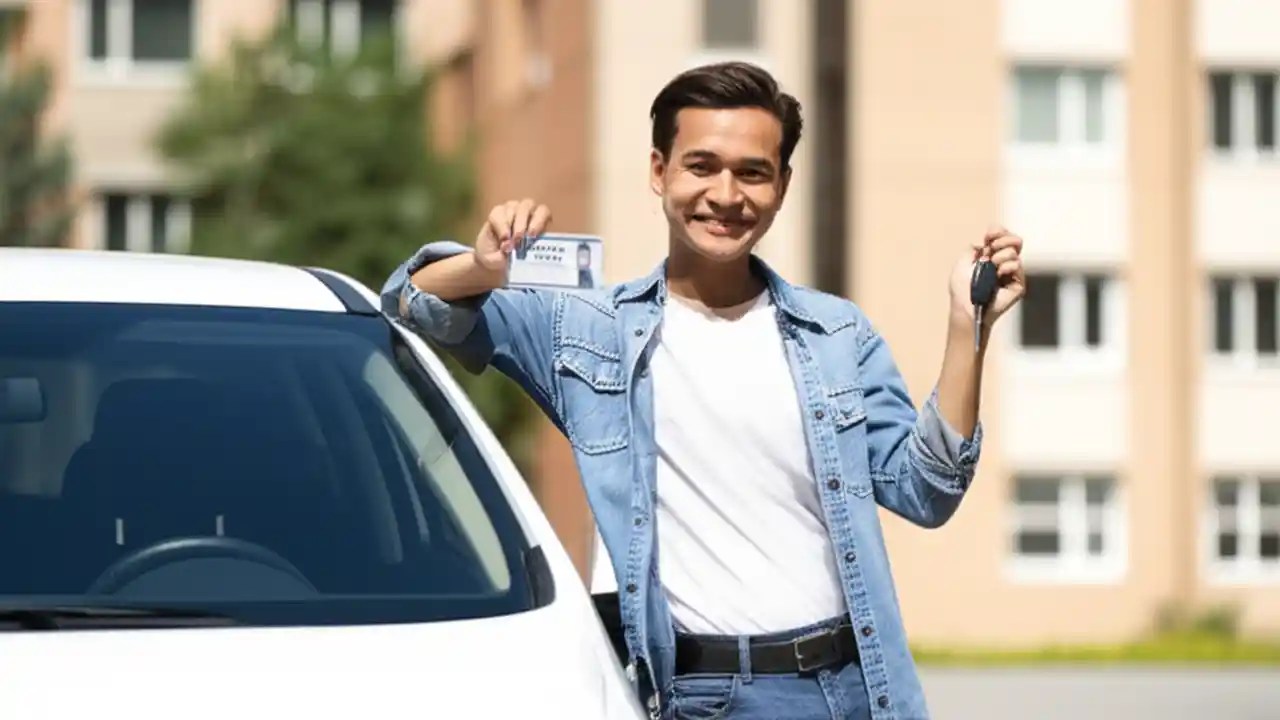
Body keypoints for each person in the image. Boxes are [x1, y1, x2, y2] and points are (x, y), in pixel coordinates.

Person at [381, 61, 1026, 720]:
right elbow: (409, 303)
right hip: (703, 697)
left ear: (782, 186)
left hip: (854, 691)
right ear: (658, 171)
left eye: (752, 172)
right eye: (701, 166)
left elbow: (926, 491)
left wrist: (964, 326)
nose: (726, 194)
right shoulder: (584, 331)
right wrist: (484, 267)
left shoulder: (836, 333)